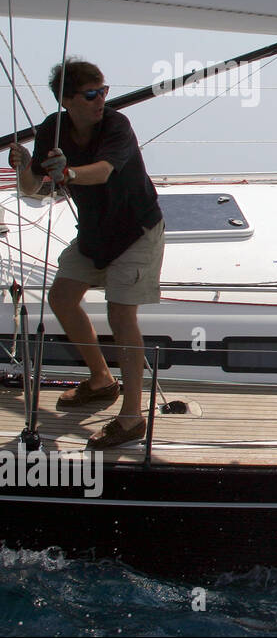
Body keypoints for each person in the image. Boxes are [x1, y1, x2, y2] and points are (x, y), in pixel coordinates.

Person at [8, 59, 165, 450]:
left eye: (104, 92)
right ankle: (100, 380)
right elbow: (31, 188)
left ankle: (131, 417)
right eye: (91, 94)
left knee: (120, 312)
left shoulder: (116, 126)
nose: (101, 101)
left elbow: (105, 170)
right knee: (61, 298)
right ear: (67, 100)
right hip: (95, 234)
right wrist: (25, 167)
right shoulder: (52, 128)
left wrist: (69, 173)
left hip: (136, 231)